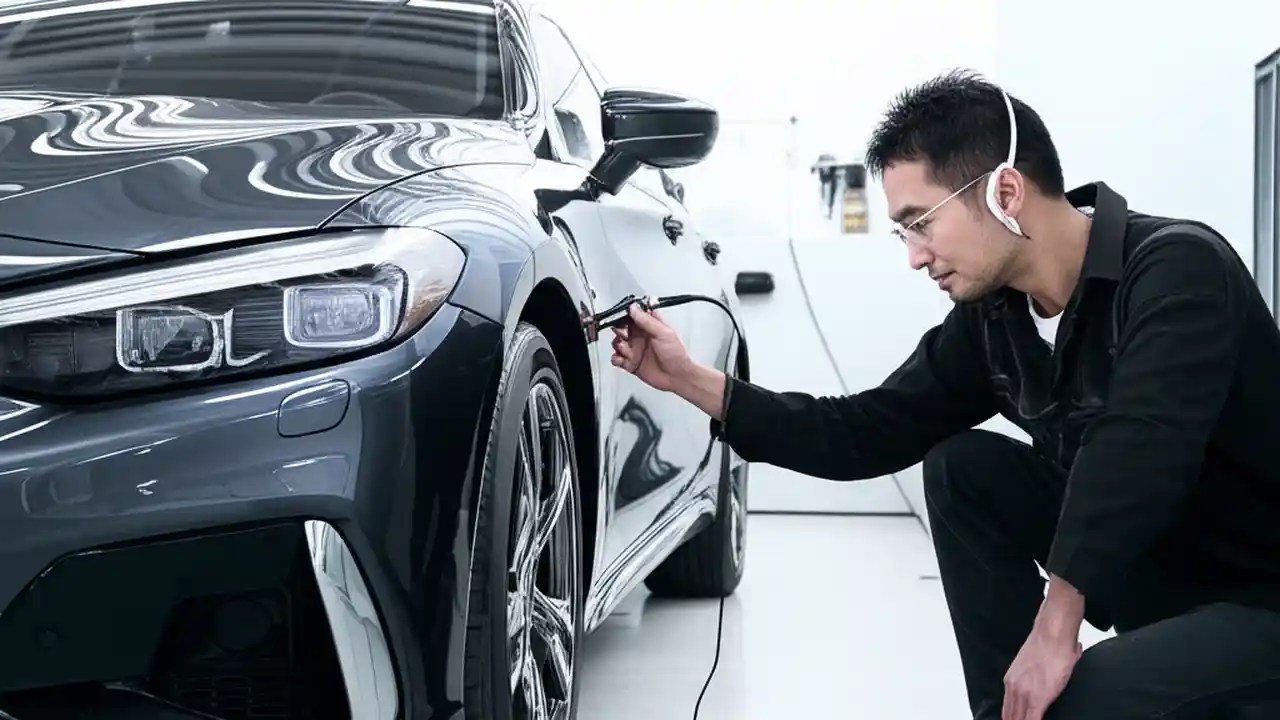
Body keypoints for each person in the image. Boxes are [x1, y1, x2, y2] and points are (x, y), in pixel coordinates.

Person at [609, 68, 1280, 720]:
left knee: (1080, 700)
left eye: (920, 222)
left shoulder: (1177, 268)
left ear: (1005, 192)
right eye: (903, 233)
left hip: (1258, 601)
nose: (914, 255)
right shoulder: (996, 319)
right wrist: (690, 378)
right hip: (1153, 586)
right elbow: (866, 429)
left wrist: (1054, 630)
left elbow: (1138, 450)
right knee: (962, 468)